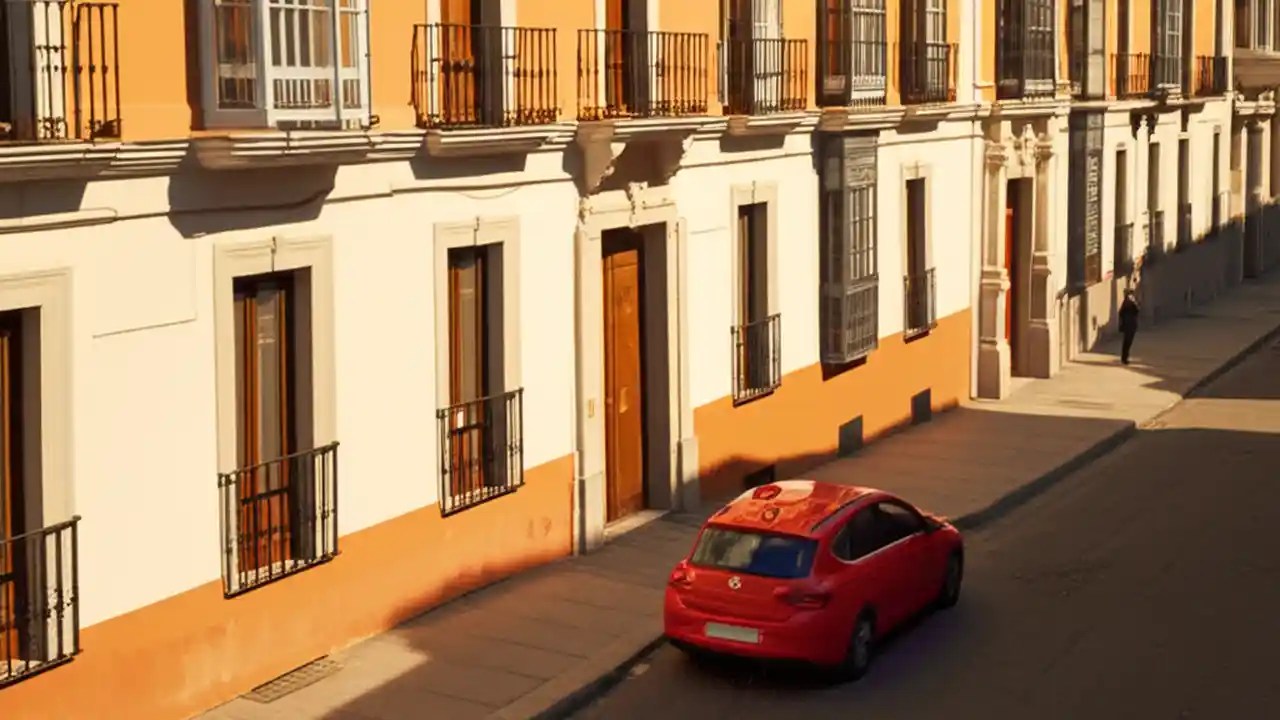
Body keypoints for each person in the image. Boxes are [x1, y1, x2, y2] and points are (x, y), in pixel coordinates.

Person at [1118, 289, 1140, 365]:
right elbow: (1136, 311)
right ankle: (1124, 358)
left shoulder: (1127, 303)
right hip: (1129, 325)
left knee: (1127, 343)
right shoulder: (1127, 303)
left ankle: (1124, 358)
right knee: (1127, 342)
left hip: (1130, 325)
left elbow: (1136, 311)